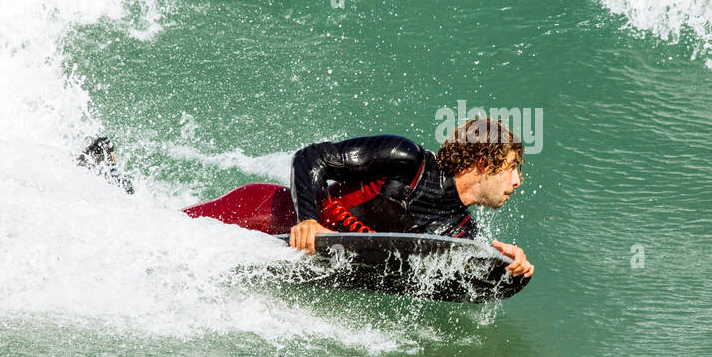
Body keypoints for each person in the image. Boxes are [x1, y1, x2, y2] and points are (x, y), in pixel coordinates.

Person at [181, 118, 533, 277]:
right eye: (512, 167)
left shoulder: (460, 232)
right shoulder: (406, 159)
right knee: (167, 233)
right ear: (484, 164)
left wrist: (509, 265)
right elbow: (311, 158)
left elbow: (466, 275)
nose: (518, 181)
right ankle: (122, 193)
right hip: (262, 215)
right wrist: (308, 220)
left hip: (278, 257)